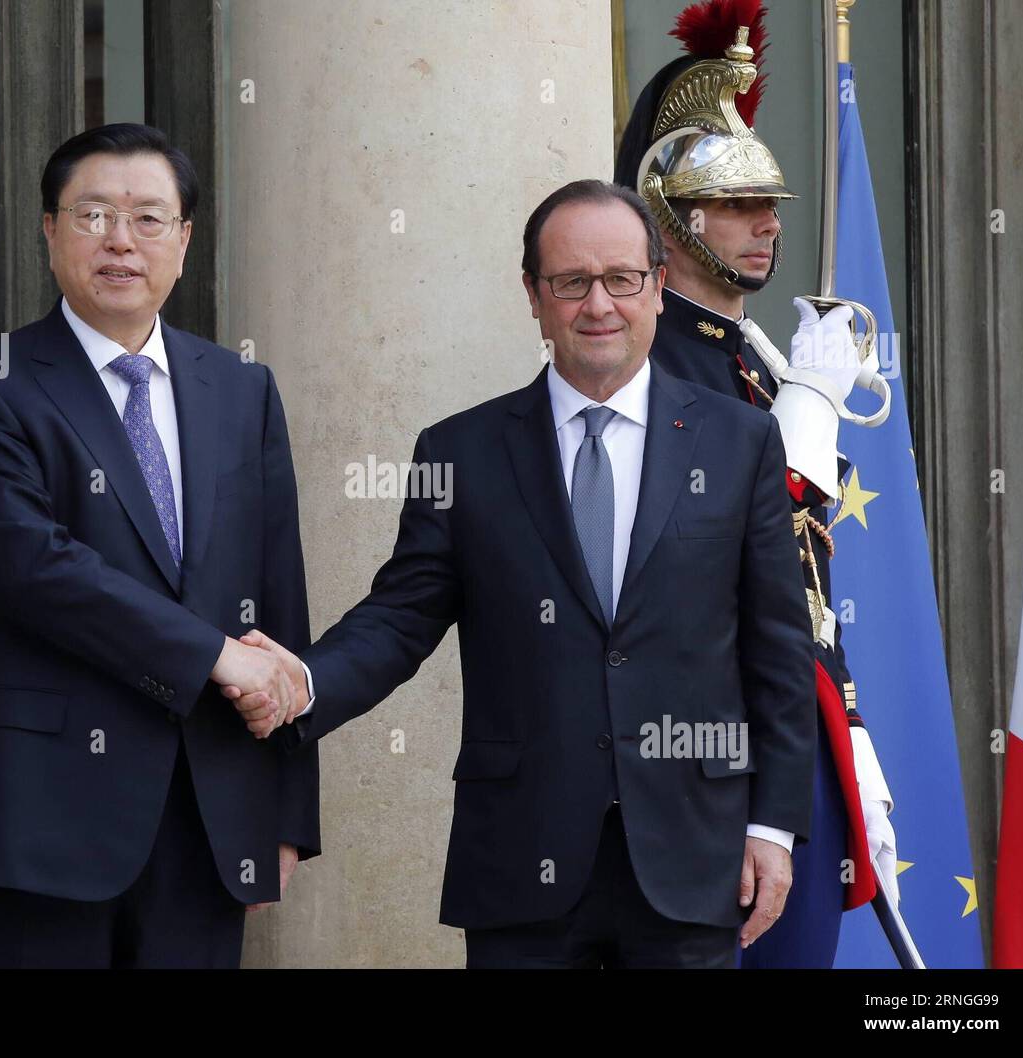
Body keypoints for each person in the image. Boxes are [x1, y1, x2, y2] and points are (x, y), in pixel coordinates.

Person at [225, 181, 815, 968]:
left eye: (622, 279)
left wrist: (771, 827)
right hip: (523, 857)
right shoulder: (461, 452)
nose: (598, 304)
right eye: (570, 282)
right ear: (533, 296)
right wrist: (303, 679)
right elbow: (400, 618)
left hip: (693, 855)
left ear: (659, 286)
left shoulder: (740, 443)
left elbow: (777, 648)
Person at [0, 123, 319, 968]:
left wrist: (286, 812)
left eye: (148, 218)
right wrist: (216, 654)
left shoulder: (241, 389)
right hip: (38, 819)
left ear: (184, 239)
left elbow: (277, 601)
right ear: (48, 230)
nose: (119, 240)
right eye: (93, 214)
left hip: (209, 815)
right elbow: (31, 567)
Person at [613, 0, 898, 968]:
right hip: (710, 747)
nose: (765, 226)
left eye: (767, 203)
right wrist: (812, 404)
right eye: (736, 205)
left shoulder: (750, 357)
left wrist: (847, 729)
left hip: (798, 719)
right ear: (671, 218)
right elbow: (747, 532)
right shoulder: (656, 371)